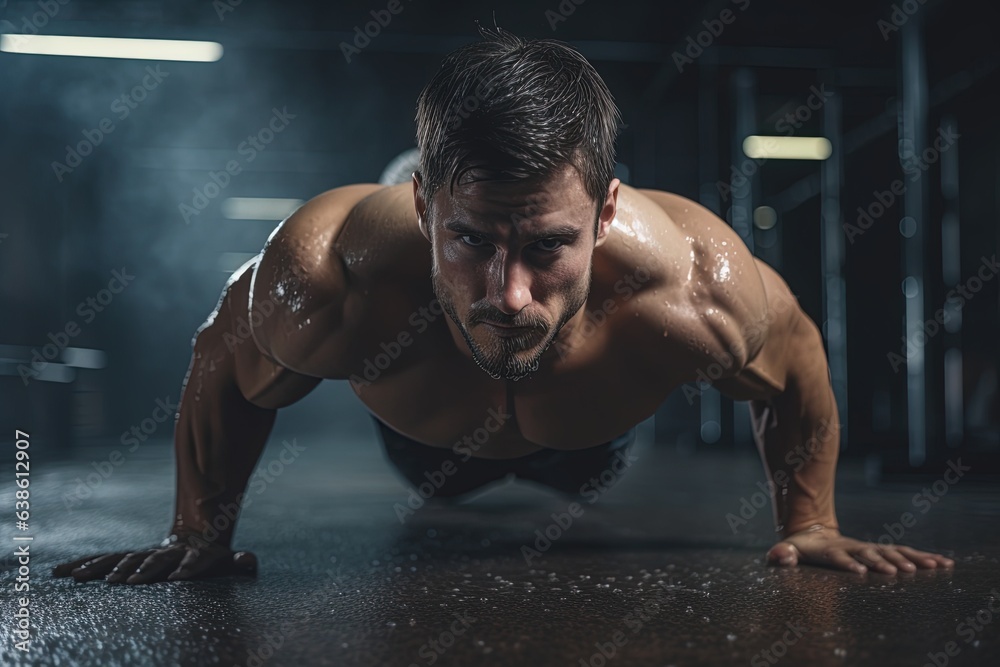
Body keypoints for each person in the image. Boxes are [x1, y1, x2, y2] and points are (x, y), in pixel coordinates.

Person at [54, 27, 954, 585]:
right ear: (422, 209)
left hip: (588, 449)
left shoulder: (692, 282)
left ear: (604, 214)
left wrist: (812, 522)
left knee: (571, 430)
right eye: (473, 240)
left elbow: (791, 356)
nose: (509, 294)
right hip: (428, 454)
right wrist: (197, 531)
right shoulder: (332, 275)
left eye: (548, 246)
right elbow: (226, 350)